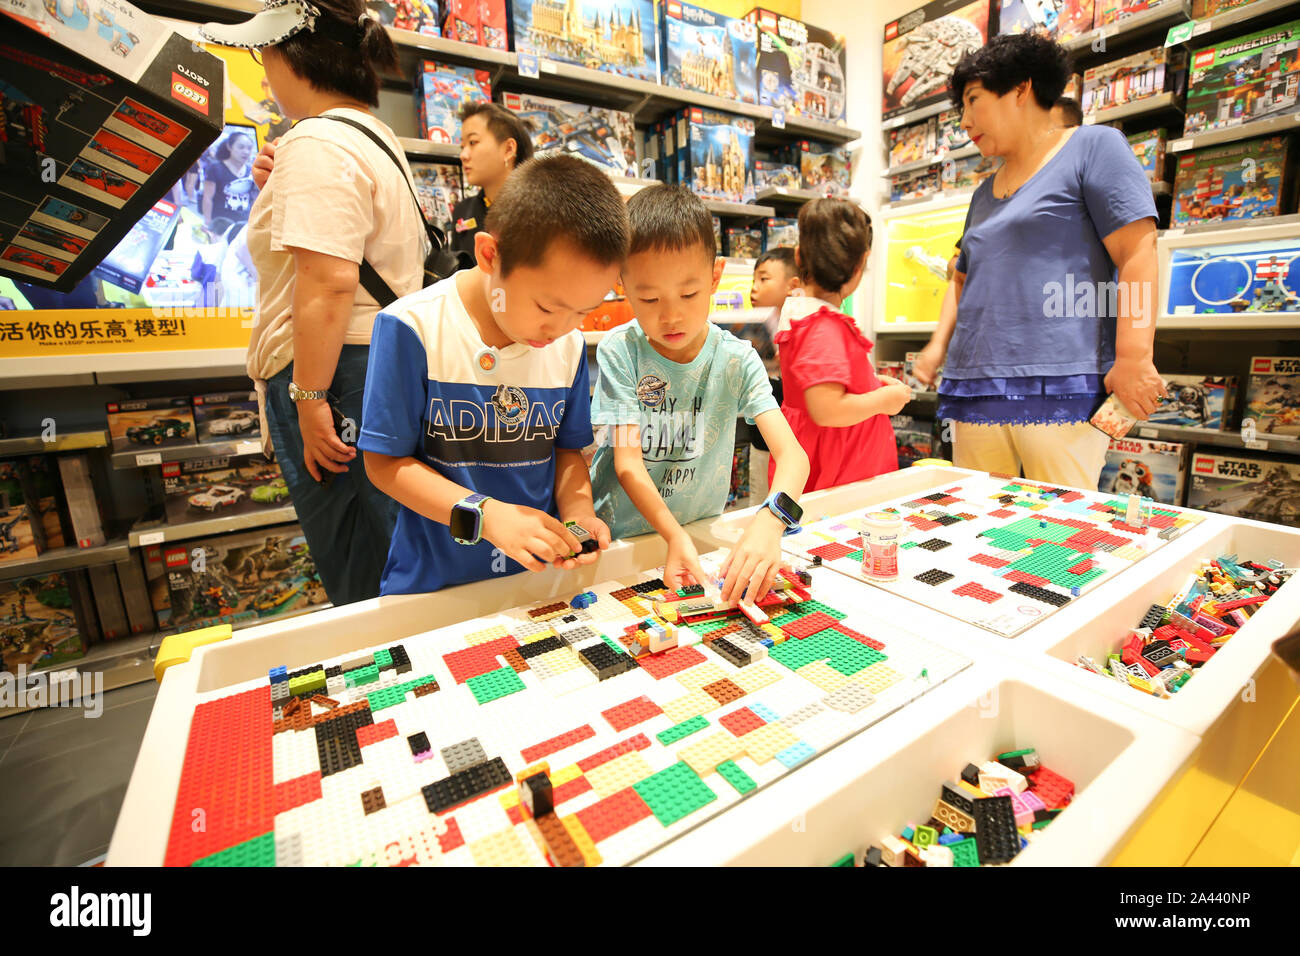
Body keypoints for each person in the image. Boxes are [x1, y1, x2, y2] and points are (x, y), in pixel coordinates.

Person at [200, 0, 427, 605]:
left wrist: (307, 398)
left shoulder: (316, 142)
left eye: (265, 55)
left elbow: (327, 284)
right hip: (372, 364)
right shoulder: (373, 139)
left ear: (288, 56)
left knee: (356, 558)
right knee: (388, 545)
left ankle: (382, 680)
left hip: (336, 374)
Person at [359, 155, 627, 594]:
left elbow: (567, 451)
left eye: (582, 312)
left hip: (537, 581)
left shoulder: (569, 345)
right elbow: (384, 464)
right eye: (546, 307)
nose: (560, 328)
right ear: (489, 254)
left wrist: (580, 515)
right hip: (434, 583)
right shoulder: (412, 327)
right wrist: (484, 514)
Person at [911, 34, 1163, 489]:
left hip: (1061, 384)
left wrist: (1133, 355)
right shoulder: (983, 194)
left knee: (1061, 529)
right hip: (975, 384)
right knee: (976, 520)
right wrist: (937, 347)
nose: (965, 121)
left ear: (1021, 90)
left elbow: (1138, 251)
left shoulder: (1094, 147)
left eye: (973, 100)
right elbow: (962, 279)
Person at [590, 185, 809, 605]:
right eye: (649, 297)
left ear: (715, 276)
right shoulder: (621, 350)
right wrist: (671, 535)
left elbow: (794, 457)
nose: (670, 315)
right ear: (622, 283)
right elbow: (628, 464)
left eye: (688, 294)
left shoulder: (737, 359)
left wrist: (771, 521)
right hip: (623, 542)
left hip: (698, 536)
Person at [773, 199, 911, 493]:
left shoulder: (800, 313)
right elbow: (827, 408)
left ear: (798, 256)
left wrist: (872, 384)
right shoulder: (823, 325)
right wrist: (885, 401)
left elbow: (818, 383)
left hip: (823, 456)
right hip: (840, 468)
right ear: (860, 263)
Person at [449, 102, 534, 266]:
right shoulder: (462, 211)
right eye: (462, 146)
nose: (463, 155)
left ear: (508, 149)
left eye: (473, 142)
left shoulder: (542, 210)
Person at [747, 246, 799, 453]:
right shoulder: (752, 329)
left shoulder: (801, 330)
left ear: (792, 286)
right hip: (760, 439)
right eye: (753, 281)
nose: (754, 288)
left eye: (763, 279)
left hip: (791, 437)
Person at [201, 129, 257, 235]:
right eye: (241, 147)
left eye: (249, 148)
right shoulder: (216, 168)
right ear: (229, 147)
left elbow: (254, 199)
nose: (246, 151)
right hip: (219, 224)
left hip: (242, 225)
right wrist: (207, 222)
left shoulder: (252, 171)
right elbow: (207, 197)